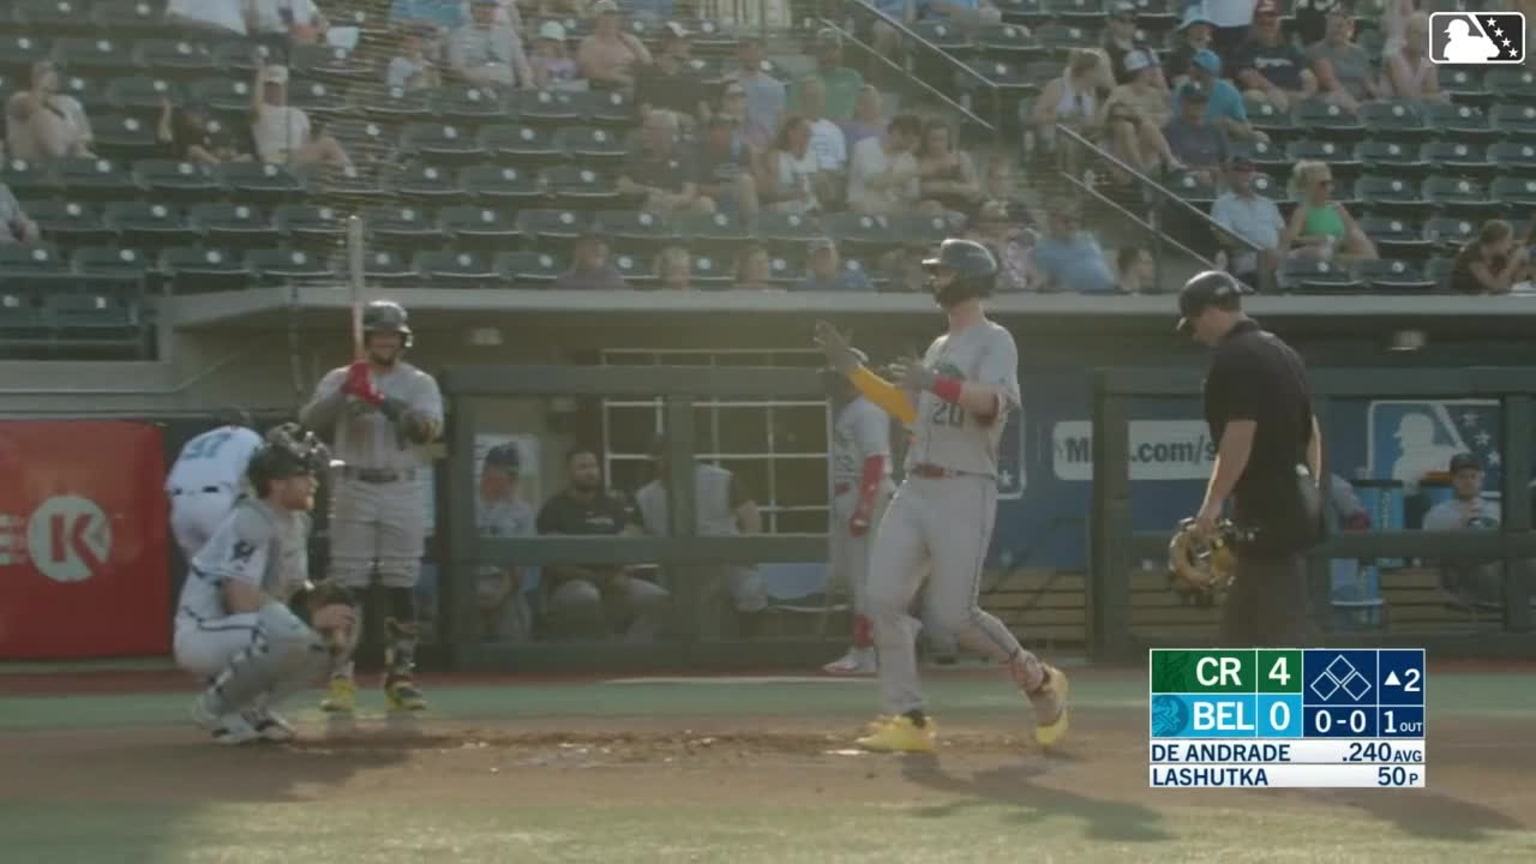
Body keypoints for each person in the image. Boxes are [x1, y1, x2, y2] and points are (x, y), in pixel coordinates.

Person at [811, 238, 1069, 753]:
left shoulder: (995, 340)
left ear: (970, 278)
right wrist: (853, 371)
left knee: (953, 617)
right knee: (882, 598)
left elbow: (994, 404)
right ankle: (908, 716)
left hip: (964, 485)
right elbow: (906, 410)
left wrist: (937, 382)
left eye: (944, 273)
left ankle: (1038, 680)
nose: (935, 280)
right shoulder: (937, 346)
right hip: (916, 485)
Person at [298, 301, 444, 715]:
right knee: (349, 582)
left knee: (401, 581)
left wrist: (380, 401)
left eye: (392, 335)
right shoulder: (340, 377)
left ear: (403, 339)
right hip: (353, 482)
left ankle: (400, 676)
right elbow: (308, 421)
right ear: (365, 339)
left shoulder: (418, 382)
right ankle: (342, 677)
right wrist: (347, 394)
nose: (385, 341)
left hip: (402, 484)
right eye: (378, 334)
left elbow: (428, 430)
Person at [174, 424, 349, 744]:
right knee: (290, 633)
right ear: (277, 483)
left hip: (244, 626)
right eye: (305, 474)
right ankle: (214, 709)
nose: (314, 482)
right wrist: (307, 619)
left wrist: (324, 606)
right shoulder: (252, 520)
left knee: (331, 637)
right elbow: (237, 597)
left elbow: (295, 589)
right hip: (205, 629)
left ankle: (256, 709)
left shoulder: (297, 521)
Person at [1178, 270, 1323, 647]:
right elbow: (1312, 431)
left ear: (1210, 312)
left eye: (1194, 323)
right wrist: (1311, 486)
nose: (1196, 335)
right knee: (1245, 620)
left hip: (1267, 504)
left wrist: (1213, 502)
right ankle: (1230, 701)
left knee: (1283, 622)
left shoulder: (1234, 357)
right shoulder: (1281, 350)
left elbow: (1241, 431)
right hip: (1291, 496)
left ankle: (1324, 704)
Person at [633, 435, 767, 639]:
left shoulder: (722, 479)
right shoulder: (645, 496)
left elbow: (751, 519)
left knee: (752, 589)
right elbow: (633, 533)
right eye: (659, 458)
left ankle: (749, 648)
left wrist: (745, 554)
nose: (663, 462)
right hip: (677, 568)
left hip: (727, 560)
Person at [537, 448, 670, 639]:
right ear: (569, 472)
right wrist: (601, 579)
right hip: (572, 583)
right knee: (586, 598)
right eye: (582, 467)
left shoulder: (612, 505)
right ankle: (593, 658)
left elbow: (630, 544)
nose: (590, 472)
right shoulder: (554, 509)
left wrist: (622, 573)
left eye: (593, 466)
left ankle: (628, 656)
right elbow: (554, 565)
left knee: (658, 599)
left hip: (616, 578)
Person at [821, 350, 895, 676]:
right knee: (852, 578)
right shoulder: (853, 409)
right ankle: (865, 650)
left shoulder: (867, 409)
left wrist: (864, 509)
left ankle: (865, 653)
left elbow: (876, 460)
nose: (833, 382)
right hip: (850, 495)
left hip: (866, 495)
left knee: (865, 578)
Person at [166, 409, 264, 563]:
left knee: (200, 575)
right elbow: (256, 477)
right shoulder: (247, 435)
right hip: (216, 504)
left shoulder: (194, 441)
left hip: (181, 508)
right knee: (235, 568)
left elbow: (170, 484)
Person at [1422, 452, 1504, 609]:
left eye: (1473, 476)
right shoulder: (1438, 513)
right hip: (1461, 582)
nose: (1468, 481)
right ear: (1453, 480)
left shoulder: (1496, 510)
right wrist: (1461, 525)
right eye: (1462, 477)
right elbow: (1430, 557)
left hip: (1499, 577)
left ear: (1481, 479)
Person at [476, 443, 534, 641]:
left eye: (514, 472)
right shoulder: (463, 503)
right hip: (464, 583)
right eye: (506, 472)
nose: (512, 478)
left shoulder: (522, 511)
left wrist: (499, 595)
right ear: (487, 472)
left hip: (504, 584)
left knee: (515, 633)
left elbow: (520, 564)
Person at [1282, 161, 1377, 264]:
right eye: (1323, 184)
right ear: (1305, 187)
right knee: (1316, 253)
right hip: (1319, 253)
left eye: (1330, 183)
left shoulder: (1338, 209)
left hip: (1340, 252)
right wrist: (1320, 239)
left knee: (1363, 246)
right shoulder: (1302, 212)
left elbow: (1355, 234)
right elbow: (1293, 239)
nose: (1330, 188)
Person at [1211, 157, 1286, 286]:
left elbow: (1283, 233)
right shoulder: (1222, 204)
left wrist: (1281, 252)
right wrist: (1258, 249)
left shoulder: (1268, 203)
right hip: (1245, 256)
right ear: (1229, 175)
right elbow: (1223, 237)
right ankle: (1273, 293)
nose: (1244, 175)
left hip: (1276, 254)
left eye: (1248, 171)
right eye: (1239, 171)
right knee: (1269, 257)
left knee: (1312, 255)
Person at [1235, 2, 1318, 111]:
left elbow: (1308, 77)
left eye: (1270, 22)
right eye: (1262, 23)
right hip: (1265, 99)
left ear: (1279, 22)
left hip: (1295, 97)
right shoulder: (1245, 50)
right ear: (1254, 24)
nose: (1267, 25)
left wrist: (1304, 95)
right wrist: (1273, 91)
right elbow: (1248, 77)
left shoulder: (1291, 50)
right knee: (1252, 95)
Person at [6, 60, 94, 162]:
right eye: (45, 72)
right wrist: (41, 86)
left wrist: (78, 145)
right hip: (31, 163)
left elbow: (86, 136)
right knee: (42, 116)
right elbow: (32, 108)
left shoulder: (71, 103)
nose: (53, 76)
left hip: (71, 159)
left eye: (55, 72)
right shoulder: (19, 99)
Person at [845, 113, 924, 216]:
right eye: (908, 140)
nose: (910, 145)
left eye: (913, 141)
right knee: (869, 204)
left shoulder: (910, 160)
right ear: (895, 132)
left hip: (895, 211)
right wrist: (914, 173)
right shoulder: (865, 147)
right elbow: (875, 182)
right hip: (864, 206)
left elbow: (911, 196)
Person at [449, 0, 535, 89]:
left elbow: (521, 65)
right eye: (481, 6)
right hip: (473, 88)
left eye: (490, 7)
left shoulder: (508, 34)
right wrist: (479, 80)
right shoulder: (459, 35)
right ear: (472, 9)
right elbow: (457, 69)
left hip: (507, 90)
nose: (486, 10)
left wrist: (527, 83)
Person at [1308, 3, 1376, 114]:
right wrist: (1353, 104)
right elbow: (1330, 82)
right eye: (1331, 26)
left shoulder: (1360, 53)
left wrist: (1380, 99)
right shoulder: (1317, 50)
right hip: (1329, 99)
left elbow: (1368, 82)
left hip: (1360, 101)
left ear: (1349, 28)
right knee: (1338, 98)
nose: (1335, 30)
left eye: (1340, 26)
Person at [577, 0, 652, 92]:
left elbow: (648, 63)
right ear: (596, 19)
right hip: (604, 91)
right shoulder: (589, 43)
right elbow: (593, 73)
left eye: (612, 15)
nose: (609, 19)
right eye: (605, 15)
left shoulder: (631, 40)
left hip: (634, 88)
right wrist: (621, 78)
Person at [1449, 219, 1528, 294]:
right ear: (1497, 242)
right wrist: (1514, 261)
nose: (1510, 246)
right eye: (1508, 240)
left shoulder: (1499, 255)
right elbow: (1497, 287)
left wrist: (1522, 266)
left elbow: (1508, 286)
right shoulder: (1471, 254)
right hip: (1463, 301)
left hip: (1490, 301)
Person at [1382, 13, 1445, 102]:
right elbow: (1406, 96)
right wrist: (1433, 98)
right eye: (1416, 33)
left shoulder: (1427, 64)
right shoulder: (1394, 59)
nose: (1421, 38)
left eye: (1425, 34)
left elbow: (1433, 92)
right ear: (1406, 34)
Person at [552, 232, 629, 290]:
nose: (598, 249)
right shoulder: (564, 280)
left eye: (601, 245)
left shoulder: (613, 279)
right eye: (592, 244)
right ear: (578, 249)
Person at [799, 237, 874, 292]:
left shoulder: (857, 280)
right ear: (811, 263)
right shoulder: (805, 288)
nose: (824, 261)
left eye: (827, 256)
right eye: (818, 257)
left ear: (837, 258)